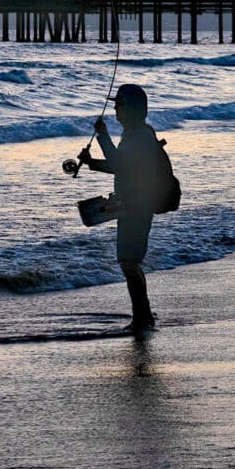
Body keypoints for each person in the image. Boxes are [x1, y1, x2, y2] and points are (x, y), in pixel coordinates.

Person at [79, 82, 166, 331]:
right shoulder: (138, 133)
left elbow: (118, 164)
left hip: (138, 206)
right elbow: (122, 165)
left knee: (129, 262)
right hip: (134, 204)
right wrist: (92, 162)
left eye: (118, 106)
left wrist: (102, 136)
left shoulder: (138, 137)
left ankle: (143, 318)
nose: (116, 111)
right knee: (130, 261)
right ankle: (144, 314)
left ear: (130, 108)